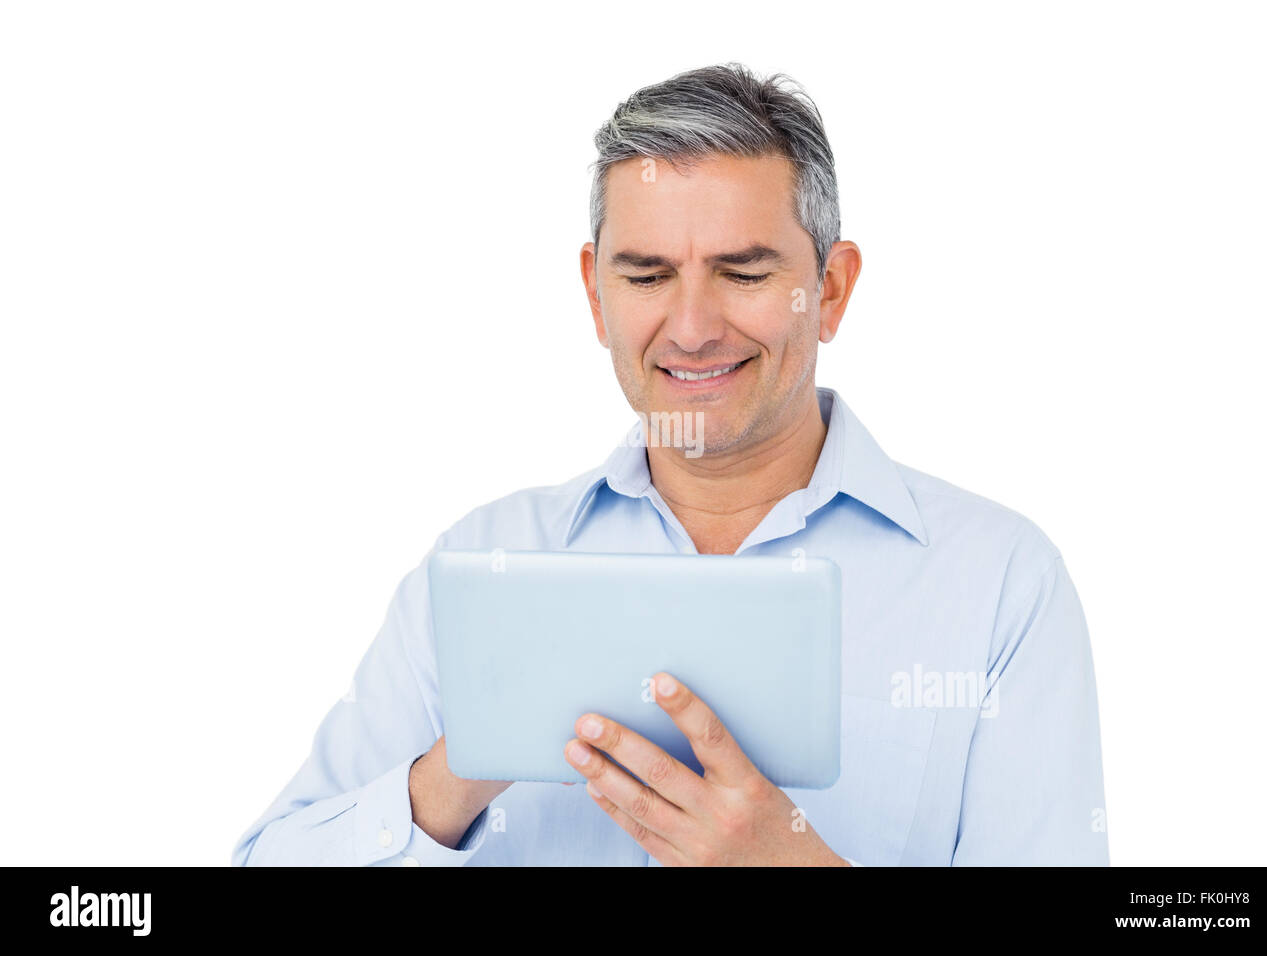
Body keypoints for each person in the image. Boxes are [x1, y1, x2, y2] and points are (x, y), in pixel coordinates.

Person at [232, 62, 1108, 866]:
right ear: (594, 293)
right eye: (647, 276)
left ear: (830, 290)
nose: (691, 328)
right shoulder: (482, 565)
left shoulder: (999, 585)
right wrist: (456, 775)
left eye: (744, 272)